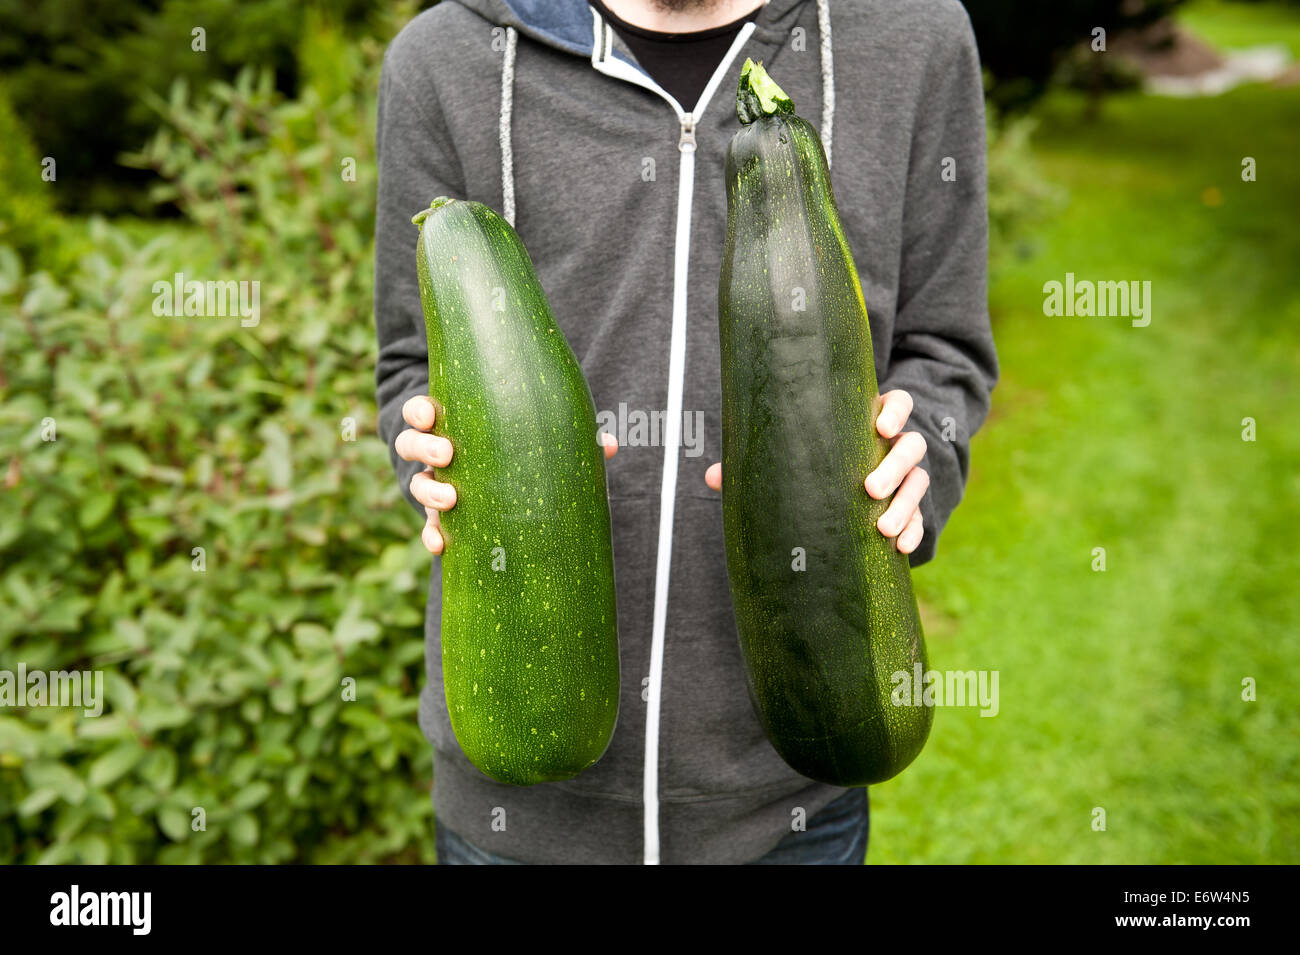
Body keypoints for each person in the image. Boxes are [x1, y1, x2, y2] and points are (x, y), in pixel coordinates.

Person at [373, 0, 998, 864]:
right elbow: (410, 362)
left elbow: (945, 346)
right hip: (516, 809)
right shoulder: (441, 58)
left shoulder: (913, 36)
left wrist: (922, 442)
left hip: (793, 794)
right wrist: (432, 461)